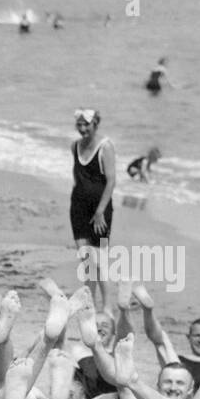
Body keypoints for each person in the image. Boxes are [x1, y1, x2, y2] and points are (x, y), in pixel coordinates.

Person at [70, 108, 116, 311]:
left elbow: (112, 180)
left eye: (86, 125)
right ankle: (89, 303)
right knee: (86, 259)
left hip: (101, 212)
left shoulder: (105, 147)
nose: (82, 129)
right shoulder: (75, 146)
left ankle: (106, 307)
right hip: (78, 209)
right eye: (79, 125)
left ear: (95, 124)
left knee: (101, 260)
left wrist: (100, 211)